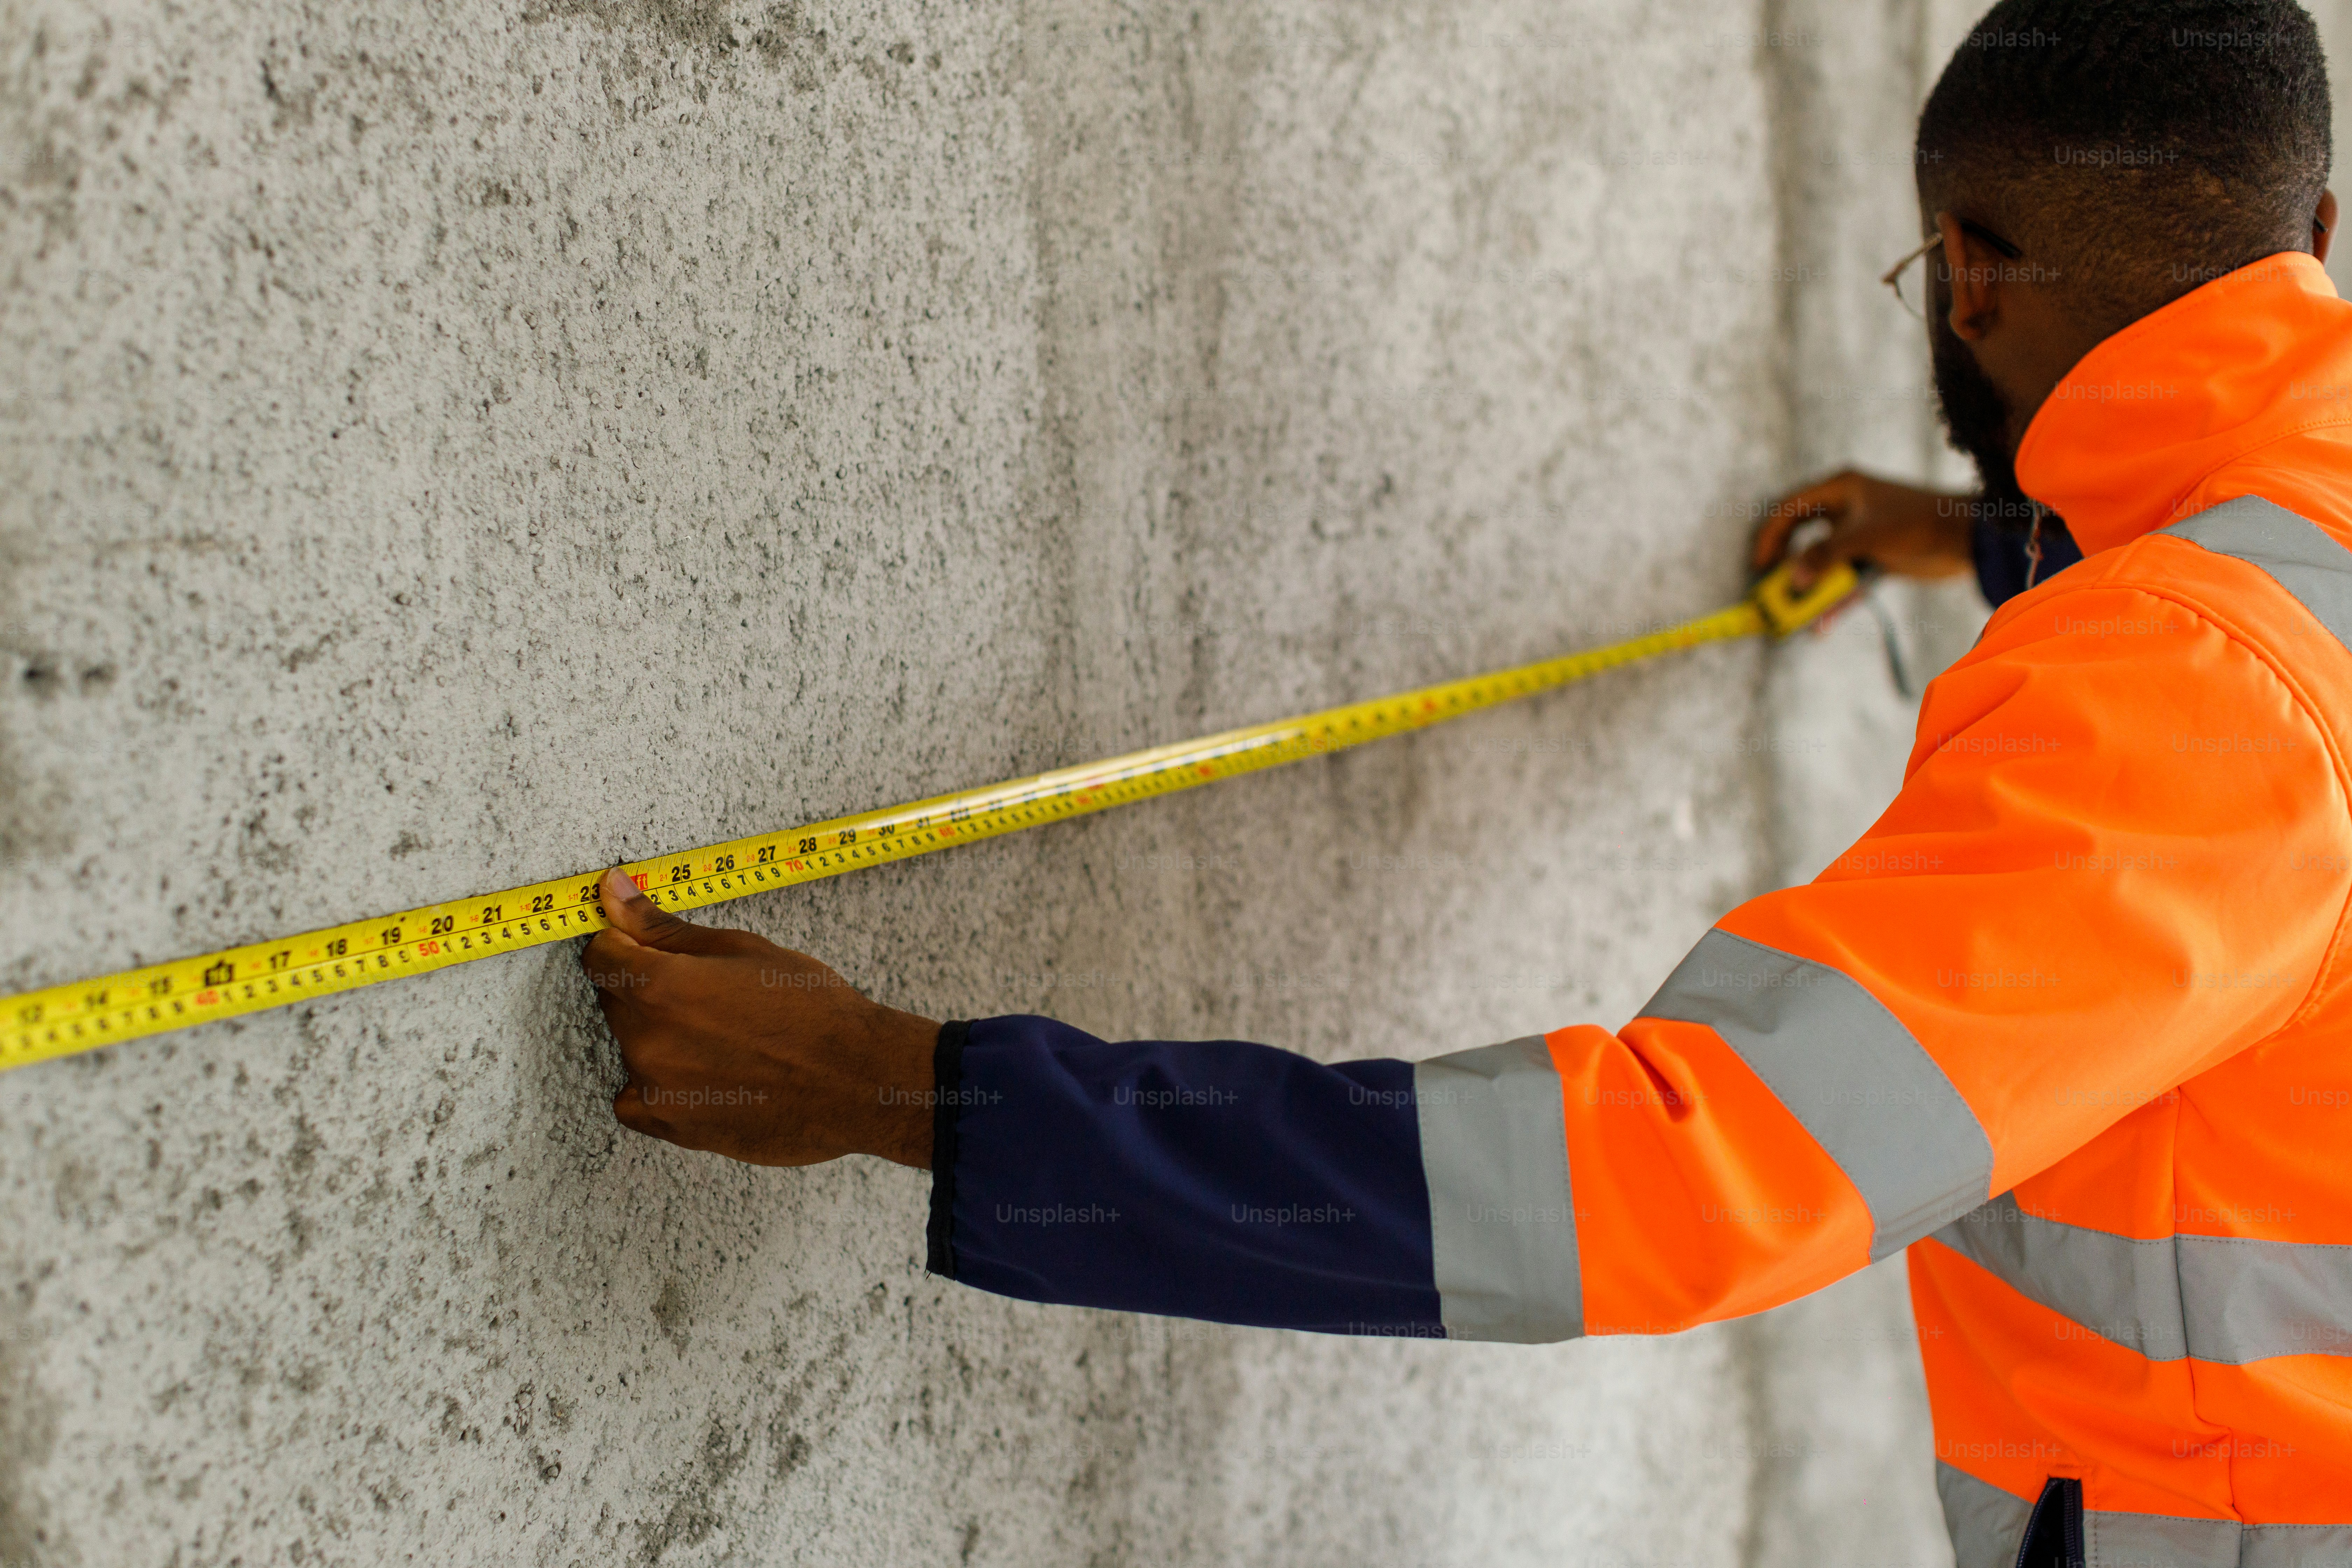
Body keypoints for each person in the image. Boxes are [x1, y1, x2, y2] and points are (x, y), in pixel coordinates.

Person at [582, 4, 2352, 1562]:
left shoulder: (2204, 688)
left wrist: (907, 1089)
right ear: (2323, 235)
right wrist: (1979, 534)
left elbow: (1674, 1183)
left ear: (1965, 275)